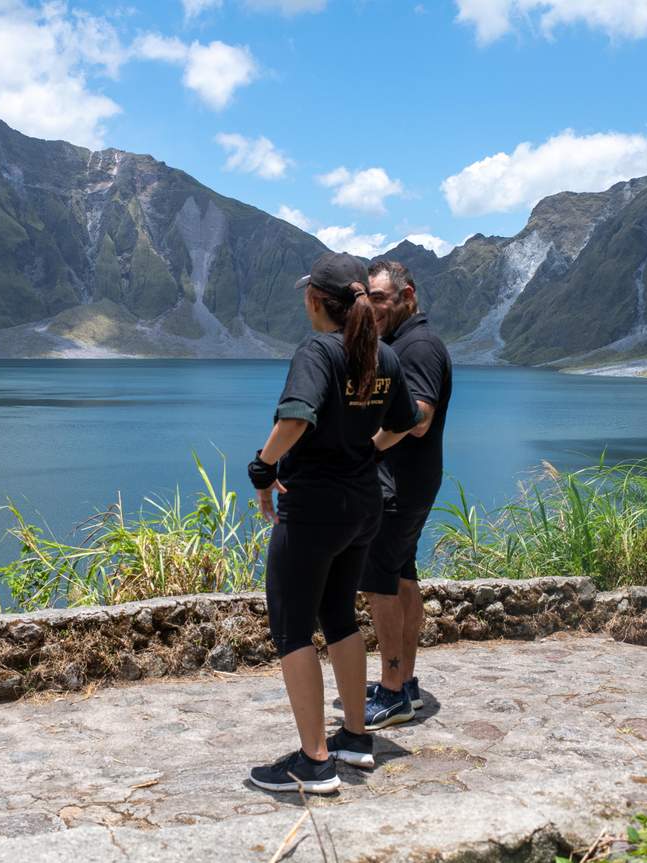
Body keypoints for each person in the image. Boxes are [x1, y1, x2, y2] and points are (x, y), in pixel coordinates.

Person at [247, 251, 421, 793]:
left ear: (316, 301)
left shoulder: (319, 351)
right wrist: (361, 451)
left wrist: (263, 466)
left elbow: (297, 414)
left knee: (293, 627)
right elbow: (407, 421)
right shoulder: (383, 357)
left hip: (315, 508)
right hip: (364, 505)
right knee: (340, 616)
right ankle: (354, 737)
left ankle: (314, 760)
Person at [360, 260, 453, 729]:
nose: (372, 308)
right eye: (368, 299)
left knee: (380, 584)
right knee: (401, 578)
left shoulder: (417, 346)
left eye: (380, 298)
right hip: (408, 482)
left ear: (407, 295)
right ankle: (407, 682)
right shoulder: (402, 343)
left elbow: (419, 418)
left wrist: (365, 452)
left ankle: (393, 690)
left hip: (398, 486)